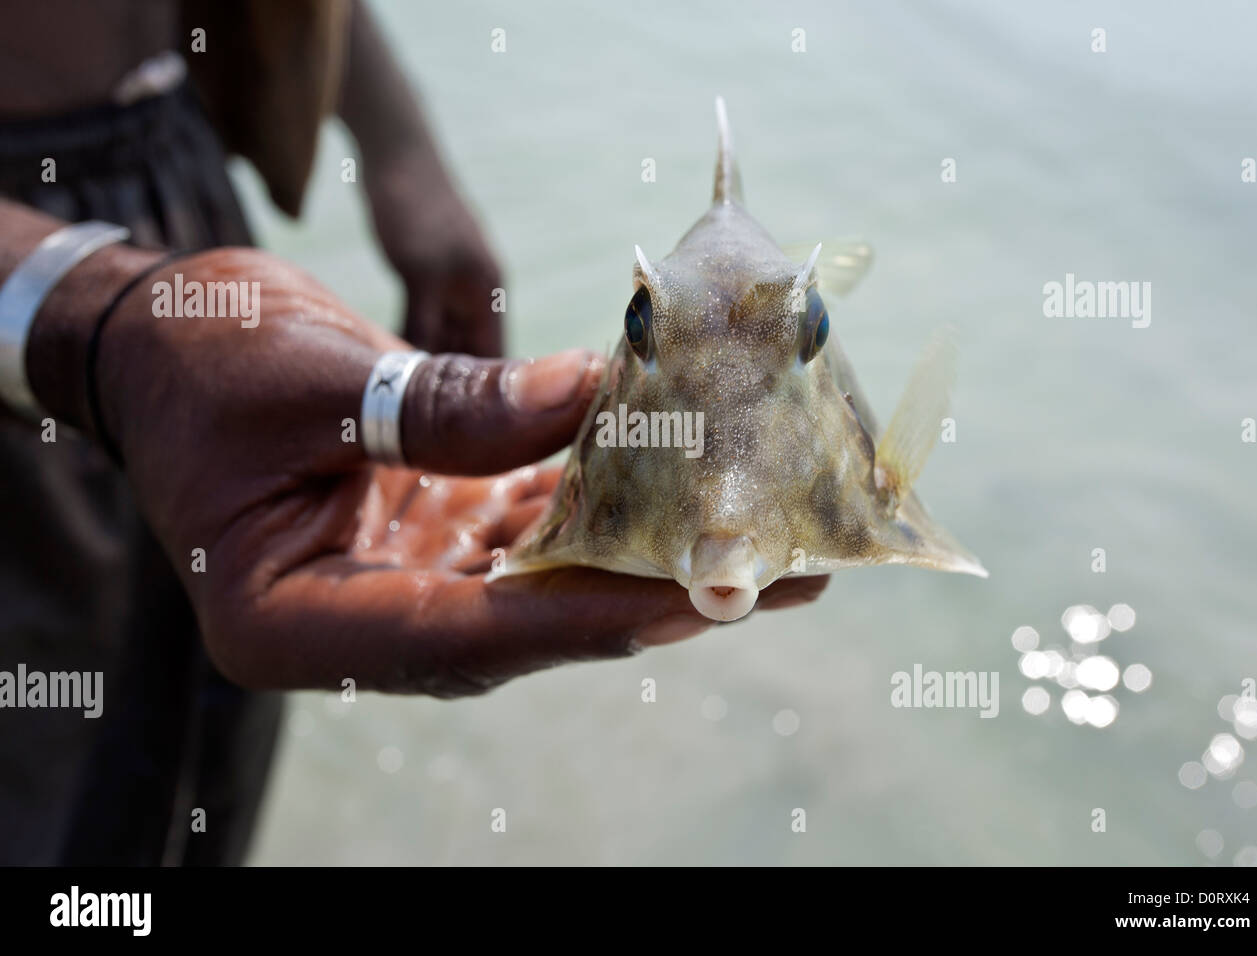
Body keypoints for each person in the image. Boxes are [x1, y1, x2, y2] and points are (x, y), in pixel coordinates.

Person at [0, 2, 828, 865]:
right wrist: (79, 321)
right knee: (51, 782)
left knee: (199, 764)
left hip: (171, 180)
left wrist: (398, 146)